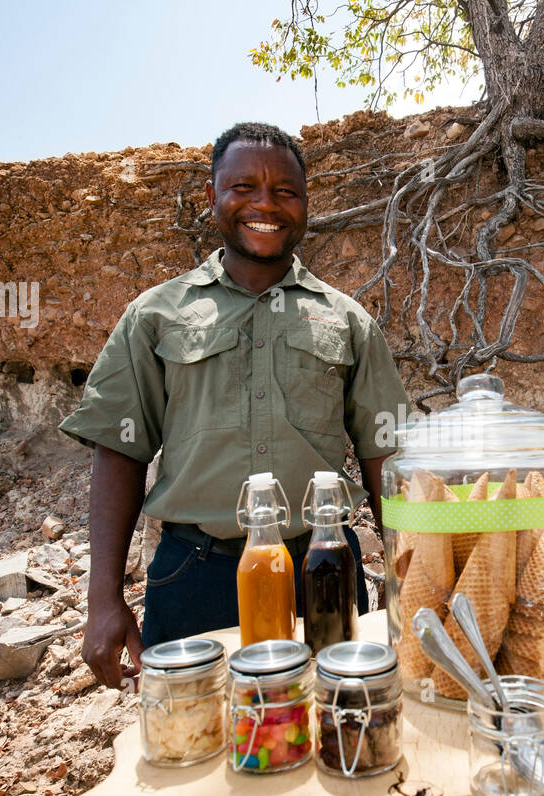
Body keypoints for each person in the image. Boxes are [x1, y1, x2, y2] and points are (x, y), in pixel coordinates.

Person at [60, 122, 410, 689]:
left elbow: (385, 455)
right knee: (200, 741)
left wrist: (407, 573)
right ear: (213, 197)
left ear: (305, 203)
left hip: (321, 567)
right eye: (243, 187)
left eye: (285, 191)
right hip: (195, 574)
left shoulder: (347, 321)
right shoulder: (156, 315)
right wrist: (103, 599)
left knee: (336, 722)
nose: (265, 205)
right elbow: (120, 453)